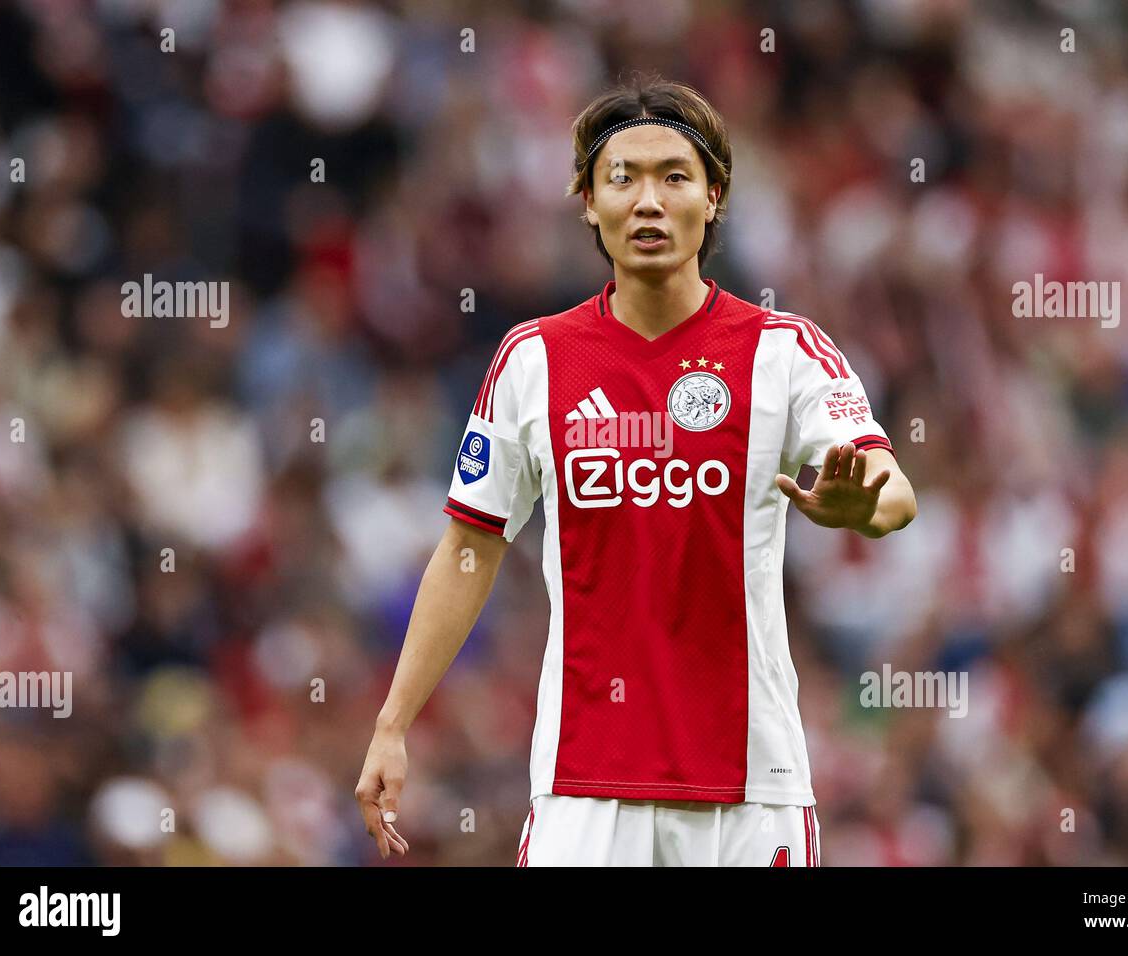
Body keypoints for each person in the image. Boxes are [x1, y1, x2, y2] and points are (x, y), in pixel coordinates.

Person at [355, 74, 917, 866]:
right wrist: (393, 723)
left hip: (750, 785)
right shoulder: (534, 359)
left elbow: (892, 494)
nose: (647, 200)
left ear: (715, 196)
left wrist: (855, 508)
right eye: (621, 177)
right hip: (583, 789)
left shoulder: (785, 352)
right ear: (587, 200)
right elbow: (469, 547)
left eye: (674, 177)